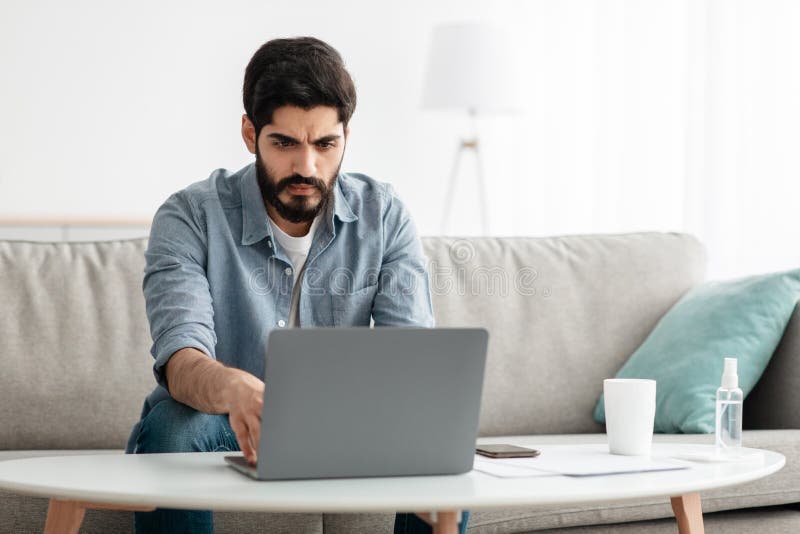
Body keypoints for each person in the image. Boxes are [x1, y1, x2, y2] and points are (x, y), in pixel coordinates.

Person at [125, 36, 470, 534]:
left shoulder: (384, 214)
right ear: (250, 133)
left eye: (325, 144)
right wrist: (232, 387)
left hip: (345, 422)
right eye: (285, 143)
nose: (306, 168)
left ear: (346, 136)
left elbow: (411, 357)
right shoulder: (189, 217)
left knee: (439, 433)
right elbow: (180, 358)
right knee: (170, 430)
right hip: (223, 421)